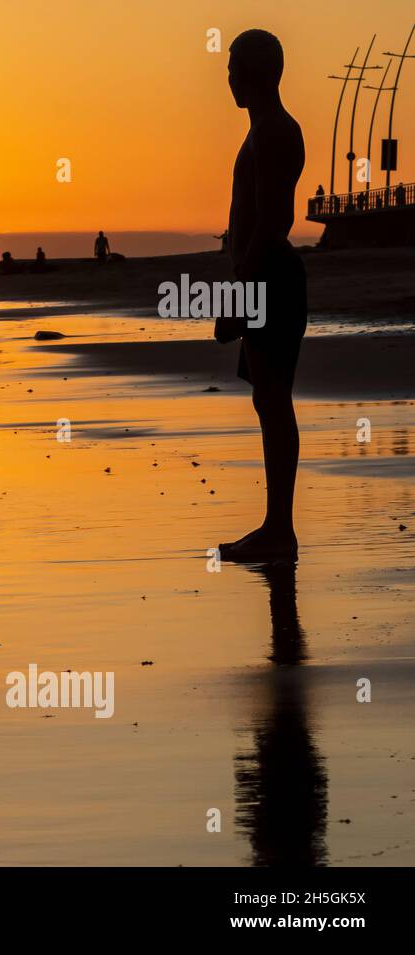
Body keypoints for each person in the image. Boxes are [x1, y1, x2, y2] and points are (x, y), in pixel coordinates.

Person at [214, 29, 307, 562]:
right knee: (266, 399)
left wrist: (237, 298)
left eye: (233, 67)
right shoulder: (259, 132)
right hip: (262, 280)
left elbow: (272, 224)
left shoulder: (274, 132)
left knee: (274, 399)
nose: (228, 76)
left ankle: (280, 530)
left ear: (255, 71)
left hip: (271, 280)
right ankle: (276, 526)